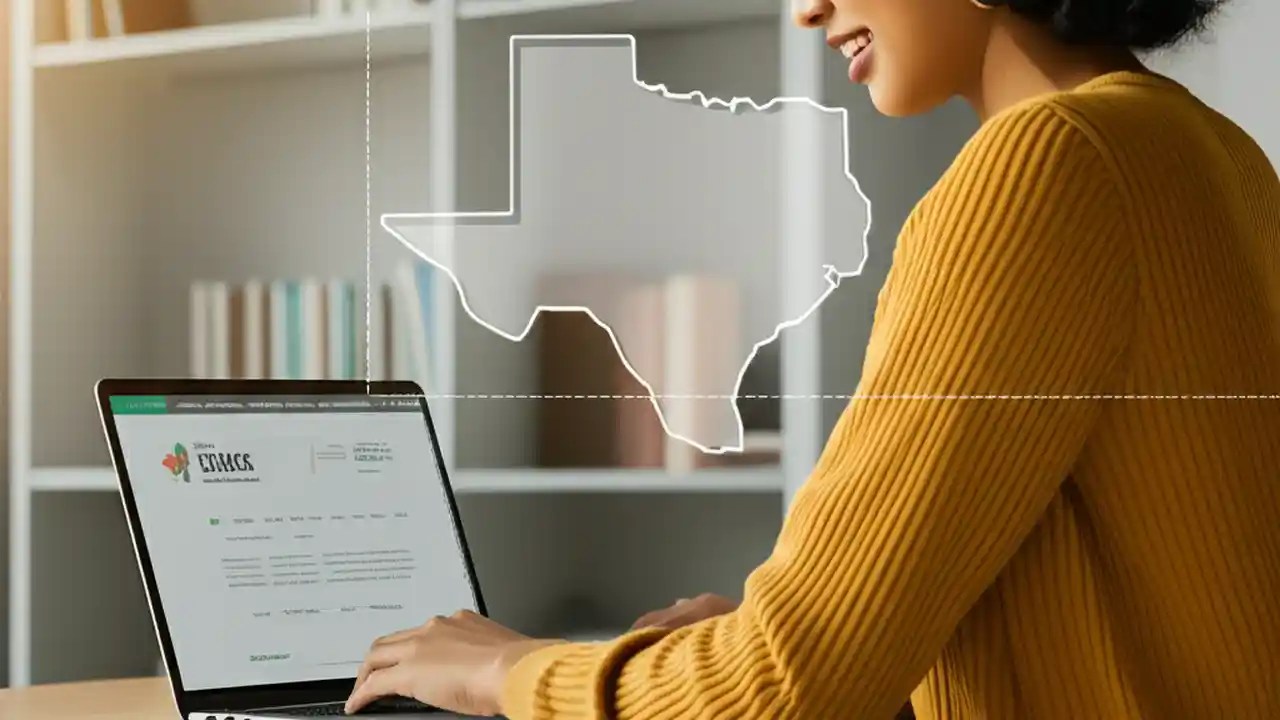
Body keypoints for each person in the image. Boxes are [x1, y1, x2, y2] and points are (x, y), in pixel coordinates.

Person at [345, 0, 1280, 717]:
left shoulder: (1044, 166)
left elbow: (786, 690)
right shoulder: (1213, 154)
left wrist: (506, 673)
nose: (806, 9)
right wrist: (764, 644)